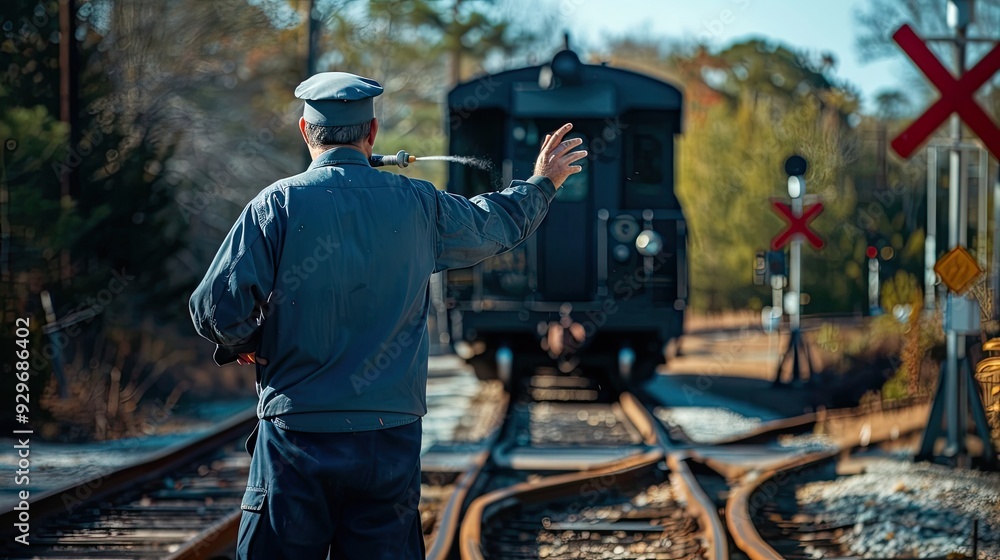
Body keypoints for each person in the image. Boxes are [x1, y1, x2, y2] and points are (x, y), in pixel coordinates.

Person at [188, 71, 586, 559]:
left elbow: (214, 307)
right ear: (371, 133)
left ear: (304, 131)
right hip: (388, 437)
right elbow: (497, 223)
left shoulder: (276, 205)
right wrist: (543, 182)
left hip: (295, 436)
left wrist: (245, 340)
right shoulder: (419, 204)